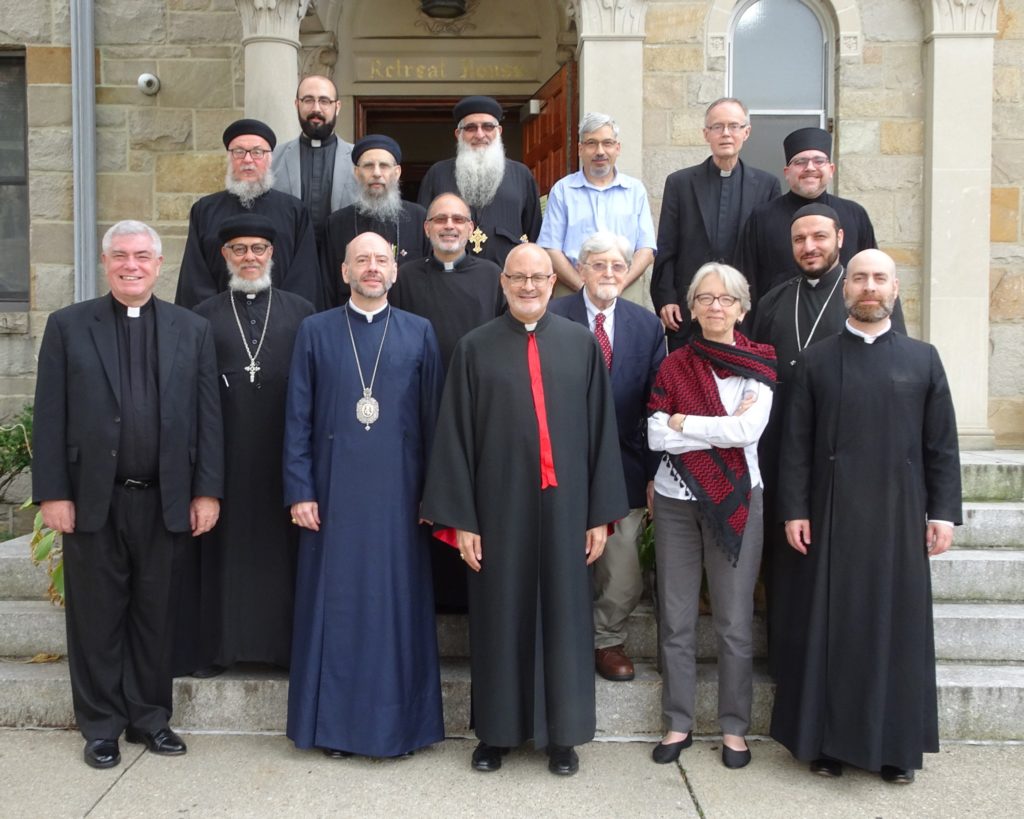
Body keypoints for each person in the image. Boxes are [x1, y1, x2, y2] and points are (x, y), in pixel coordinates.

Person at [421, 243, 628, 777]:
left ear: (553, 283)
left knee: (564, 618)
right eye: (519, 278)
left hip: (567, 511)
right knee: (499, 616)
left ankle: (564, 737)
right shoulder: (474, 348)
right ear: (503, 283)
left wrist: (599, 515)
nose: (530, 286)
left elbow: (604, 434)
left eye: (539, 277)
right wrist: (461, 519)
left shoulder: (582, 347)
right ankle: (496, 733)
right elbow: (454, 439)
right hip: (497, 508)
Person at [32, 220, 223, 769]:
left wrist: (207, 491)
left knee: (155, 615)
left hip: (165, 498)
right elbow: (50, 417)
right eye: (120, 255)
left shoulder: (191, 330)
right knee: (95, 617)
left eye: (142, 255)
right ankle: (100, 726)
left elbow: (209, 418)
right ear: (105, 262)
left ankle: (149, 718)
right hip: (94, 498)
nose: (131, 264)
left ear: (159, 264)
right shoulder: (68, 327)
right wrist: (53, 492)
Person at [770, 248, 962, 784]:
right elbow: (796, 444)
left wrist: (943, 512)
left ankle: (896, 748)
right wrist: (794, 511)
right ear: (846, 288)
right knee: (833, 631)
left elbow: (941, 445)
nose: (869, 287)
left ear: (895, 289)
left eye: (879, 278)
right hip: (831, 516)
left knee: (894, 633)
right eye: (860, 278)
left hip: (900, 519)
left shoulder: (923, 359)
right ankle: (827, 744)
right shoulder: (816, 359)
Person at [283, 231, 445, 759]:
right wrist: (300, 489)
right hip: (331, 497)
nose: (372, 268)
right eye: (362, 260)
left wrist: (434, 497)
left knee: (394, 610)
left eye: (381, 260)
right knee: (340, 608)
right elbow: (298, 418)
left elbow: (434, 425)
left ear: (395, 272)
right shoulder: (315, 331)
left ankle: (403, 729)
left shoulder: (420, 333)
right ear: (344, 271)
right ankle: (335, 729)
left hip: (400, 500)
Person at [752, 204, 906, 668]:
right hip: (783, 448)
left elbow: (891, 374)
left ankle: (839, 659)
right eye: (800, 240)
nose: (809, 247)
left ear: (839, 237)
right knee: (787, 557)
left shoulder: (864, 295)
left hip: (849, 453)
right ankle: (788, 657)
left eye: (818, 237)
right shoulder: (774, 300)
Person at [646, 262, 776, 770]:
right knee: (676, 620)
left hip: (740, 501)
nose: (715, 306)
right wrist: (717, 424)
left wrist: (686, 422)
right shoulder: (674, 365)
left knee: (733, 621)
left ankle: (734, 728)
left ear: (742, 308)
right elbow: (658, 436)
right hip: (675, 499)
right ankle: (678, 721)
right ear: (692, 307)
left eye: (725, 299)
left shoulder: (759, 364)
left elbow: (747, 434)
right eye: (705, 298)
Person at [185, 213, 315, 677]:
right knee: (226, 557)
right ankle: (221, 649)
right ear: (225, 256)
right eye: (239, 249)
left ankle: (285, 650)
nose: (249, 257)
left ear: (272, 254)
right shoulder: (202, 317)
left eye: (258, 249)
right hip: (226, 456)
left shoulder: (302, 312)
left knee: (284, 557)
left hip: (283, 455)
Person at [548, 232, 665, 682]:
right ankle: (563, 639)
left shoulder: (646, 325)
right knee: (563, 558)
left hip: (625, 462)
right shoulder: (552, 314)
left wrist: (655, 473)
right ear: (580, 270)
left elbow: (658, 403)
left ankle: (606, 640)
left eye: (618, 266)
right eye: (599, 265)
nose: (609, 274)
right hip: (560, 460)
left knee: (623, 569)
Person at [390, 192, 506, 611]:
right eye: (440, 219)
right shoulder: (403, 277)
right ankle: (431, 602)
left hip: (478, 412)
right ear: (427, 229)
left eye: (459, 219)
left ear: (471, 228)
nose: (450, 226)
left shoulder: (494, 275)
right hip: (418, 408)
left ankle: (469, 600)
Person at [650, 98, 780, 350]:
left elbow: (768, 255)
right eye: (717, 127)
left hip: (744, 314)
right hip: (689, 312)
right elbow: (667, 246)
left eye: (734, 126)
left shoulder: (766, 186)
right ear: (706, 134)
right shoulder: (680, 183)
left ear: (747, 132)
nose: (726, 134)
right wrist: (666, 298)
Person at [175, 119, 322, 310]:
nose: (247, 160)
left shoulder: (294, 211)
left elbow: (304, 278)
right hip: (219, 327)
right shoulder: (205, 210)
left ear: (269, 159)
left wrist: (287, 318)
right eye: (238, 152)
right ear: (229, 158)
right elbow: (195, 279)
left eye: (257, 152)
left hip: (282, 324)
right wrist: (213, 319)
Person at [734, 126, 877, 305]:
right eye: (800, 161)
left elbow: (876, 275)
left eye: (819, 161)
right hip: (778, 324)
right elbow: (745, 284)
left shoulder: (855, 215)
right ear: (787, 172)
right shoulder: (762, 218)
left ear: (831, 169)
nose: (810, 168)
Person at [537, 113, 656, 294]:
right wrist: (583, 289)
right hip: (572, 289)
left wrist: (619, 285)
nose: (600, 151)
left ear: (617, 148)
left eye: (607, 143)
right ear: (580, 149)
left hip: (625, 290)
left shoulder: (635, 190)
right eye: (592, 143)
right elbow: (550, 248)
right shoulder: (563, 190)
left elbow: (646, 249)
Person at [418, 95, 542, 267]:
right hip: (449, 275)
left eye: (487, 127)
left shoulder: (521, 174)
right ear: (458, 134)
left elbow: (535, 232)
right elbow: (423, 233)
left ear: (498, 131)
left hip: (506, 277)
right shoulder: (437, 173)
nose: (480, 134)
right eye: (470, 128)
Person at [323, 134, 430, 306]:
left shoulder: (419, 218)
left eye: (384, 166)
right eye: (368, 166)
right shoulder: (337, 223)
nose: (377, 173)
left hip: (408, 320)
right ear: (357, 173)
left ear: (397, 172)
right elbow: (327, 287)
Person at [272, 74, 359, 252]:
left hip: (342, 261)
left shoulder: (360, 160)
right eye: (308, 100)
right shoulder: (273, 159)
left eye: (324, 101)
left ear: (337, 106)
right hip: (290, 260)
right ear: (297, 104)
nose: (316, 108)